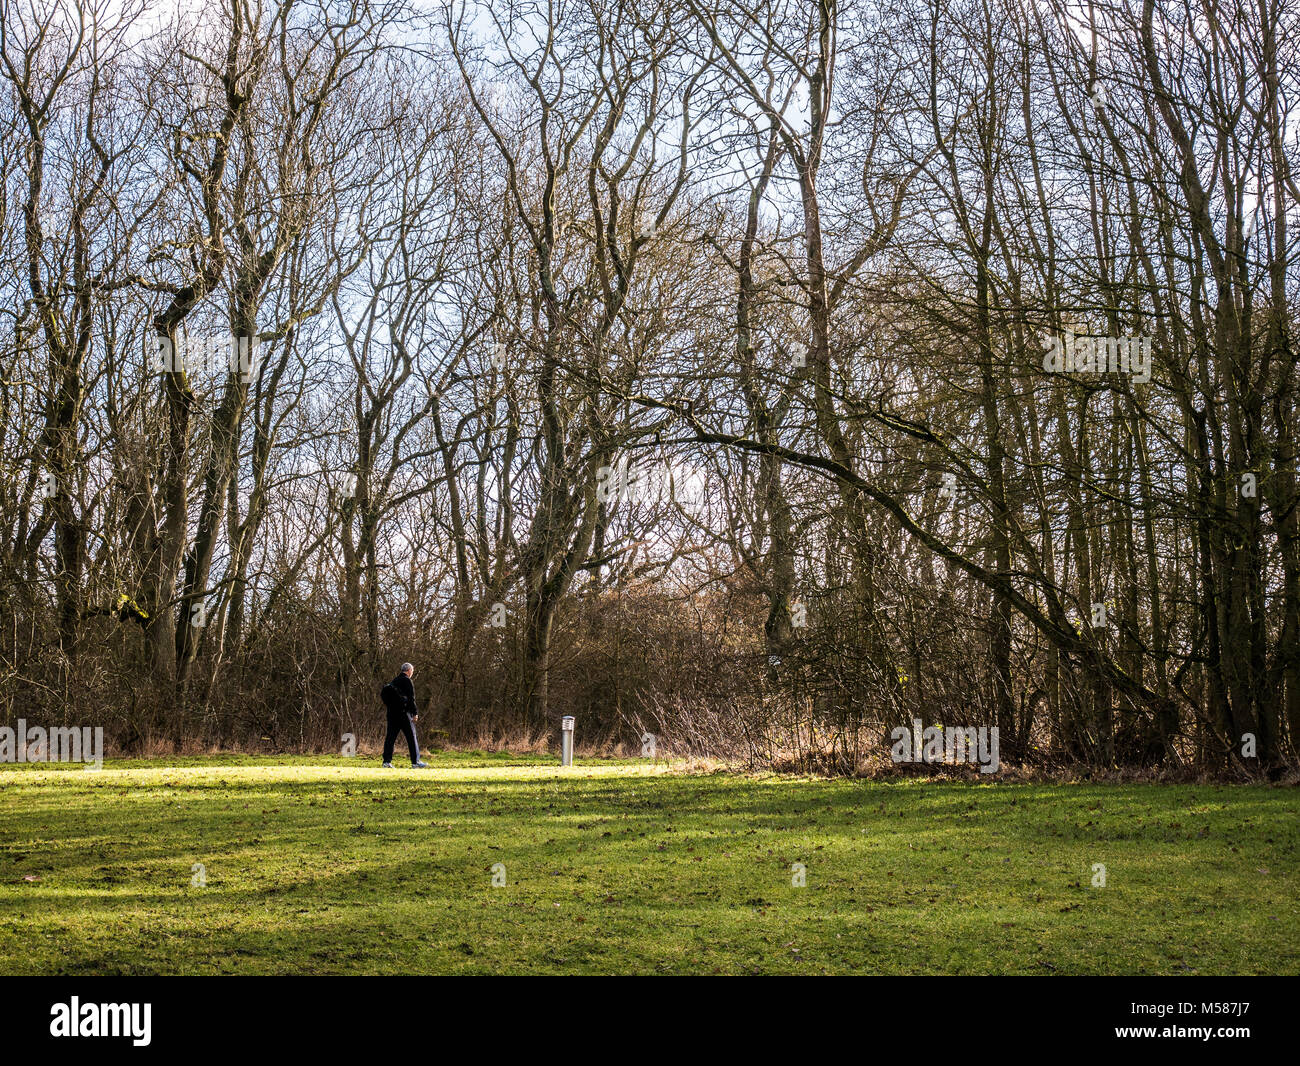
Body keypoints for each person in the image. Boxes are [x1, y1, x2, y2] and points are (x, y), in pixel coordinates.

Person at [382, 662, 429, 768]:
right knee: (411, 737)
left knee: (390, 738)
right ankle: (415, 762)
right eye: (412, 671)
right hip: (404, 714)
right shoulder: (407, 681)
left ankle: (386, 762)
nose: (412, 673)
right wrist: (415, 713)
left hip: (392, 714)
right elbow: (411, 698)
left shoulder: (394, 681)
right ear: (409, 671)